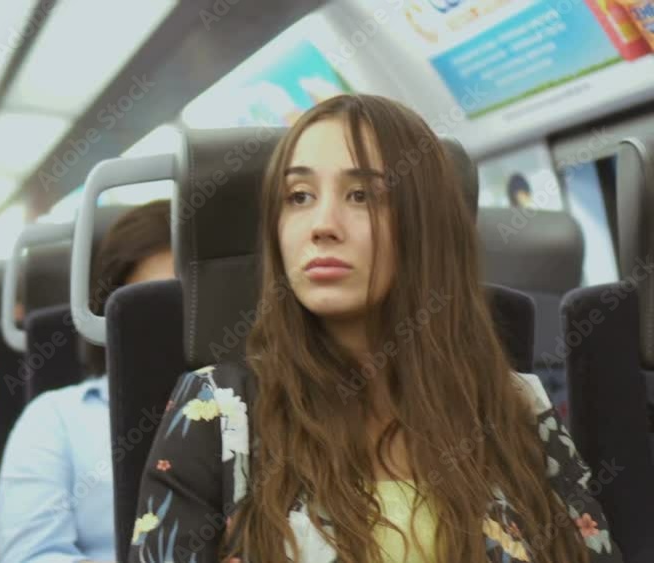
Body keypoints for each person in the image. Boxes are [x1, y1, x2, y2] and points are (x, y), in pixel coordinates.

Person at [128, 95, 622, 563]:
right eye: (298, 197)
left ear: (425, 226)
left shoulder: (517, 407)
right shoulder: (217, 409)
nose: (322, 225)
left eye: (361, 195)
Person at [0, 200, 175, 563]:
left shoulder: (264, 405)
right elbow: (33, 556)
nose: (181, 325)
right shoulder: (55, 420)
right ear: (112, 317)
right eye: (161, 307)